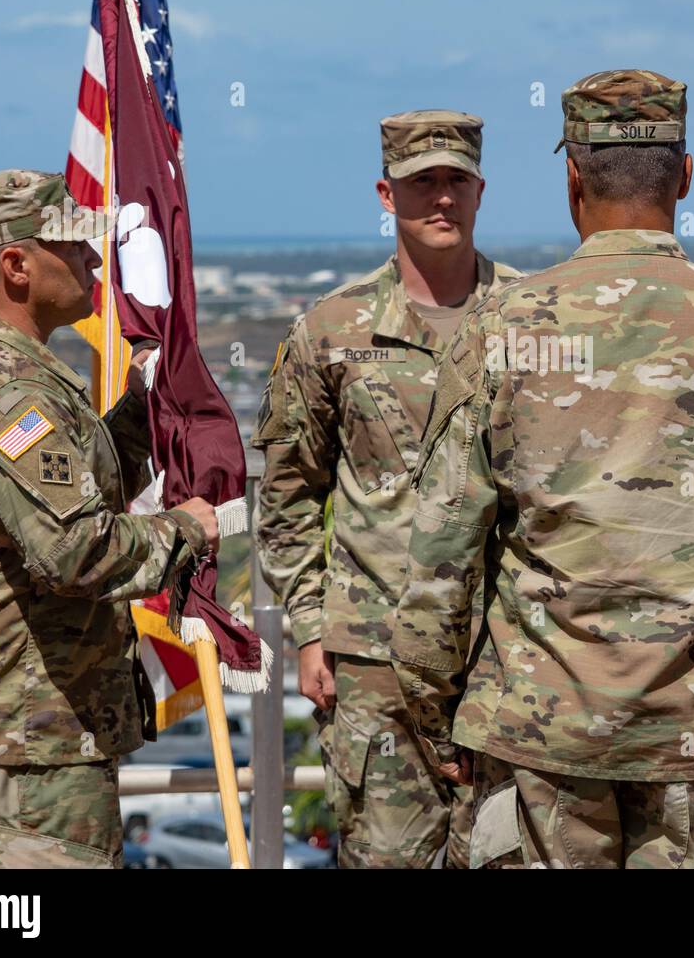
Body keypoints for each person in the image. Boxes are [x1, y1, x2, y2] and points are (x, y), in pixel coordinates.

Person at [391, 71, 694, 868]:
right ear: (684, 175)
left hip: (541, 743)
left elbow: (441, 550)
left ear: (571, 174)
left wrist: (437, 717)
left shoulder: (502, 326)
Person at [0, 168, 217, 869]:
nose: (95, 261)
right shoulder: (7, 392)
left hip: (26, 736)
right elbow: (76, 552)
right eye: (73, 247)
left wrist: (141, 407)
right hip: (23, 748)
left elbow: (75, 493)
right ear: (16, 266)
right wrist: (190, 527)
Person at [253, 111, 521, 868]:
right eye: (421, 183)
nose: (441, 199)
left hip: (505, 652)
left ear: (480, 191)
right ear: (386, 193)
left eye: (455, 181)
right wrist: (310, 626)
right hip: (376, 659)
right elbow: (287, 493)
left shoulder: (533, 319)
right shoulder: (331, 329)